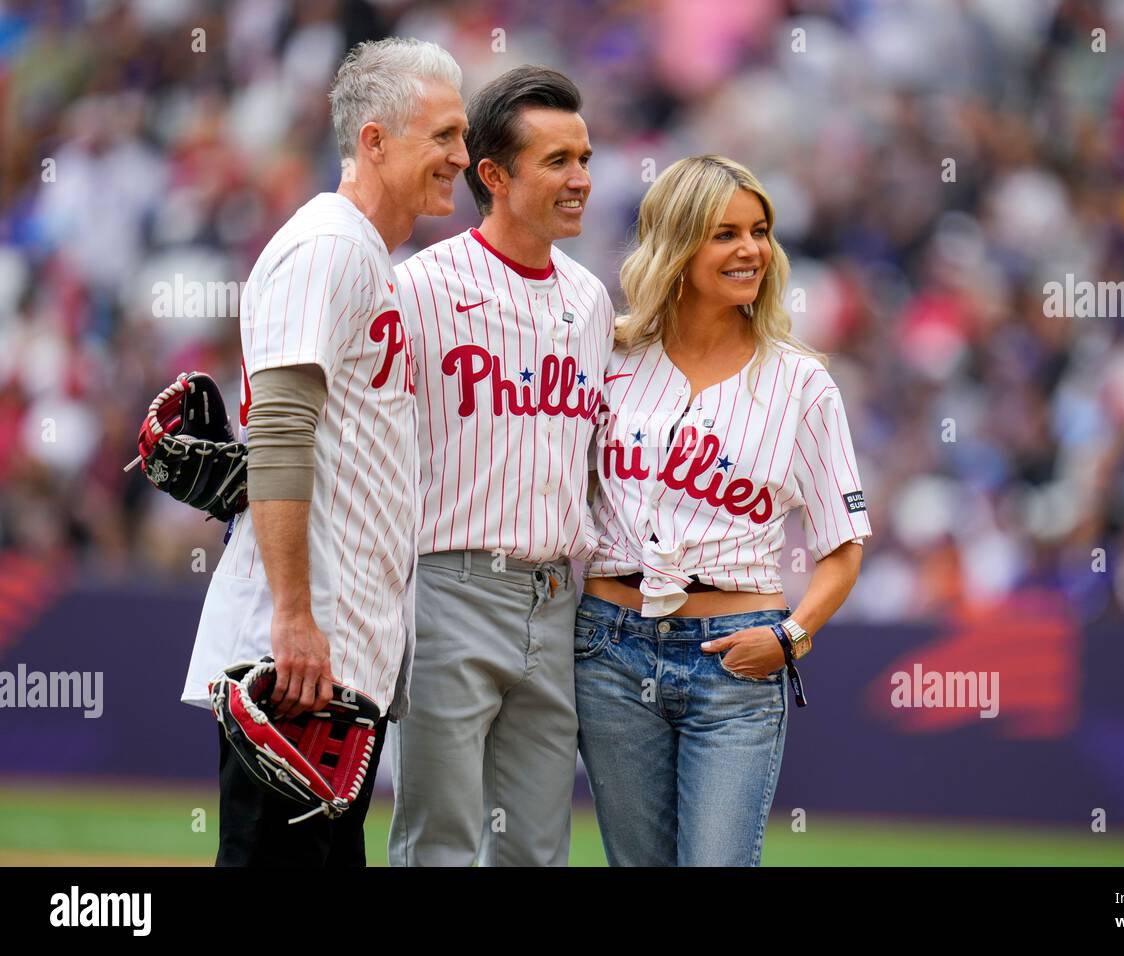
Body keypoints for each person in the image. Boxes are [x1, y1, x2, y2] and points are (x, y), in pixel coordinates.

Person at [179, 37, 469, 867]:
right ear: (373, 140)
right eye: (442, 135)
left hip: (336, 647)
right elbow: (277, 430)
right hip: (302, 651)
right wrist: (295, 616)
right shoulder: (329, 246)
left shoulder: (368, 257)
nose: (461, 154)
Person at [577, 155, 870, 866]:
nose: (751, 250)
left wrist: (792, 637)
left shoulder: (802, 381)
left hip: (737, 654)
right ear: (676, 245)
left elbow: (844, 545)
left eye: (760, 231)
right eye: (724, 234)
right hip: (609, 649)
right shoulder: (606, 356)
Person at [388, 65, 614, 867]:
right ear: (494, 174)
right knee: (440, 842)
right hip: (450, 586)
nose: (581, 178)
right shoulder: (417, 287)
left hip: (555, 600)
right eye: (557, 160)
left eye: (584, 157)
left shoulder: (592, 301)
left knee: (534, 851)